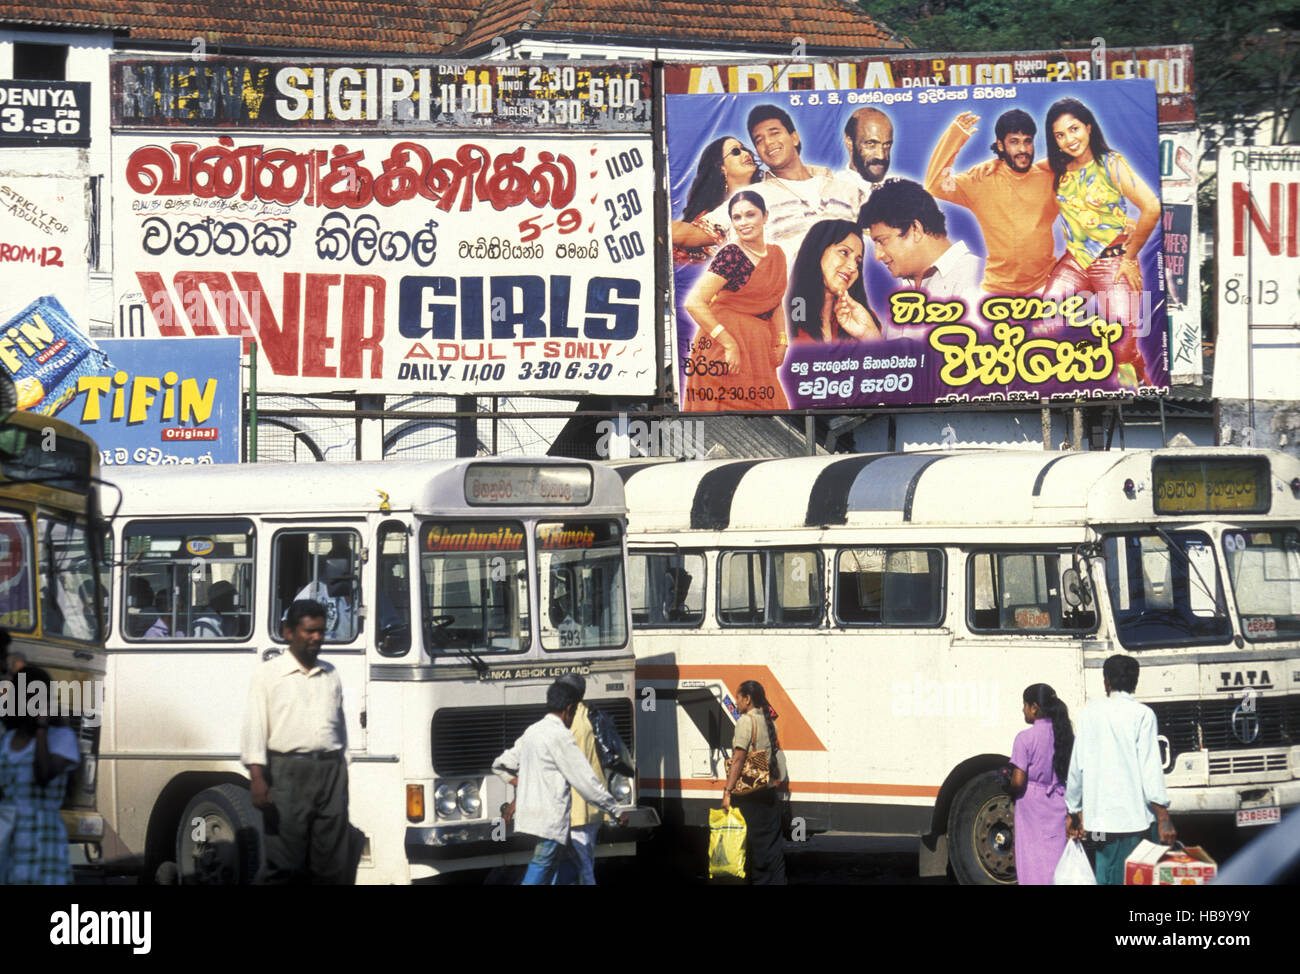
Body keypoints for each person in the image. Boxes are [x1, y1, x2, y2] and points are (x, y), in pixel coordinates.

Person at [1042, 97, 1160, 388]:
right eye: (1060, 134)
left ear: (1089, 128)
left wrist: (1131, 258)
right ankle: (1072, 385)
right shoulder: (1056, 170)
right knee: (1046, 323)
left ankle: (1132, 386)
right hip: (1075, 262)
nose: (1069, 139)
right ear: (1054, 141)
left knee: (1121, 339)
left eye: (1074, 129)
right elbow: (1018, 174)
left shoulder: (1111, 164)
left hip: (1114, 260)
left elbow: (1152, 207)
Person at [241, 599, 350, 884]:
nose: (316, 638)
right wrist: (257, 778)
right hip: (287, 773)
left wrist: (342, 769)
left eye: (321, 631)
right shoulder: (269, 674)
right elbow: (255, 726)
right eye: (309, 631)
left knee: (331, 862)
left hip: (330, 772)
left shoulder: (331, 674)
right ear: (288, 632)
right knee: (285, 863)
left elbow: (340, 726)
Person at [492, 678, 628, 885]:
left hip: (537, 818)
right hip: (552, 820)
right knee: (542, 864)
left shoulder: (532, 731)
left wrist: (522, 782)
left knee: (566, 865)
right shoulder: (561, 736)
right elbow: (586, 782)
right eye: (572, 714)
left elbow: (500, 765)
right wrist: (615, 810)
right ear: (569, 709)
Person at [1066, 654, 1176, 885]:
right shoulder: (1143, 715)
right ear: (1135, 682)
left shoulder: (1089, 713)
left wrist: (1073, 810)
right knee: (1131, 877)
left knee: (1105, 873)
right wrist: (1163, 816)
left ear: (1106, 681)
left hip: (1098, 823)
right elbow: (1150, 770)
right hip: (1132, 822)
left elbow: (1077, 767)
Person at [924, 109, 1058, 294]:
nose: (1022, 150)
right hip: (997, 290)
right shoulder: (982, 179)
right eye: (1014, 142)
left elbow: (1079, 162)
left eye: (1027, 141)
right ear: (1001, 146)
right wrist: (955, 136)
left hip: (1045, 286)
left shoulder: (1049, 177)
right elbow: (935, 184)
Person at [684, 190, 791, 410]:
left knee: (768, 416)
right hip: (725, 347)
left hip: (758, 347)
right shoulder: (731, 255)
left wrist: (781, 341)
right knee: (726, 416)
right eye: (737, 217)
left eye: (750, 215)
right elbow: (694, 302)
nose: (743, 223)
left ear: (765, 216)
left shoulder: (776, 255)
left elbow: (775, 301)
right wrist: (728, 343)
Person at [860, 178, 985, 331]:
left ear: (916, 230)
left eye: (882, 241)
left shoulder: (978, 279)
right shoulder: (904, 289)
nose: (877, 256)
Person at [744, 104, 864, 262]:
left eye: (774, 133)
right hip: (794, 284)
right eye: (759, 141)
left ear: (794, 137)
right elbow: (708, 228)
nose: (768, 143)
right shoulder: (753, 198)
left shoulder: (847, 190)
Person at [0, 666, 79, 884]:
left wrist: (41, 727)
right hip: (8, 838)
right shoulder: (6, 740)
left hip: (43, 837)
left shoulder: (62, 738)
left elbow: (43, 774)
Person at [721, 679, 787, 884]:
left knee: (753, 849)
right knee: (773, 848)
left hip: (750, 796)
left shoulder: (745, 721)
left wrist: (727, 790)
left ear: (747, 699)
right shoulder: (770, 723)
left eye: (738, 698)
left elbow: (739, 759)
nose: (736, 703)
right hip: (768, 792)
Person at [1009, 683, 1073, 885]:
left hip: (1032, 804)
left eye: (1025, 705)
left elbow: (1018, 781)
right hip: (1059, 800)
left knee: (1032, 858)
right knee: (1056, 856)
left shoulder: (1025, 738)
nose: (1023, 710)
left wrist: (1007, 786)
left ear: (1034, 707)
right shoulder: (1065, 736)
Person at [786, 219, 882, 343]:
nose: (853, 267)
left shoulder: (864, 320)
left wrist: (870, 335)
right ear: (818, 252)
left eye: (858, 261)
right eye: (844, 252)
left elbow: (884, 361)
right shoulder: (786, 315)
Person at [671, 135, 762, 258]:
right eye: (736, 151)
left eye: (744, 149)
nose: (745, 154)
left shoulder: (769, 190)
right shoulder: (710, 217)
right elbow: (686, 236)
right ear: (722, 168)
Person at [557, 672, 604, 885]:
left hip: (577, 806)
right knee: (583, 860)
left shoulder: (571, 723)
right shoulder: (588, 714)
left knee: (583, 864)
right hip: (593, 805)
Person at [841, 106, 894, 196]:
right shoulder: (831, 191)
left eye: (886, 145)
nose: (881, 155)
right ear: (849, 142)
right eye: (871, 144)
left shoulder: (902, 191)